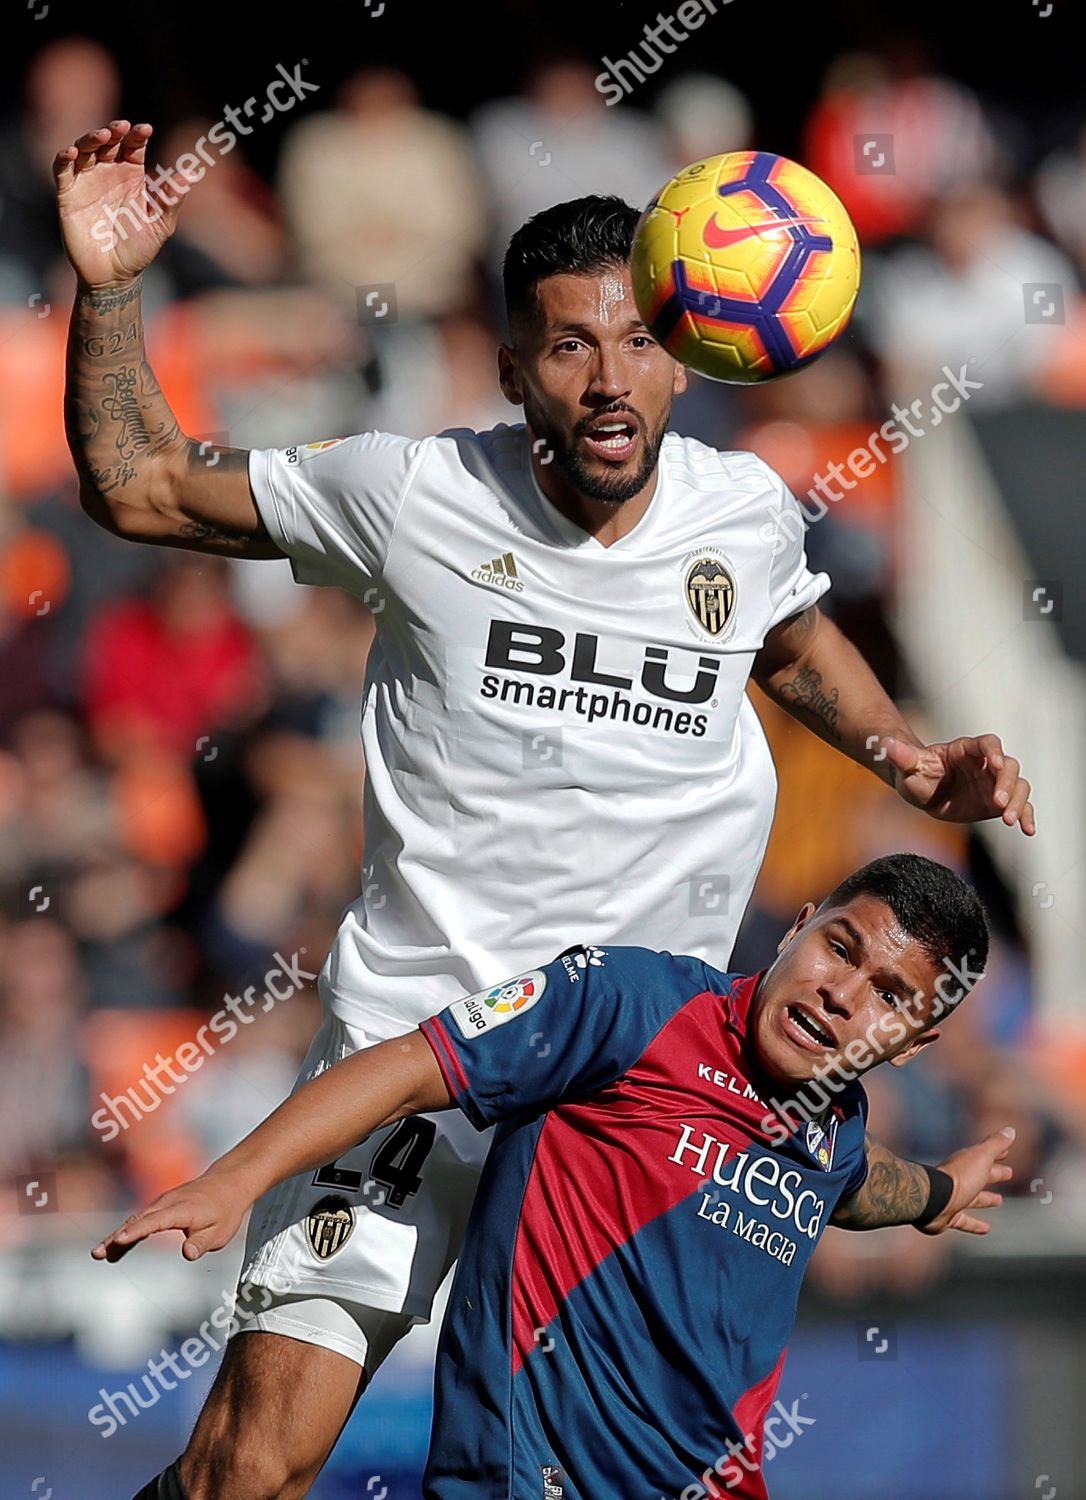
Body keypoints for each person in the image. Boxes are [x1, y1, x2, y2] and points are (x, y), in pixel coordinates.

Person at [57, 120, 1035, 1499]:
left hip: (631, 1089)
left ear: (685, 347)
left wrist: (905, 757)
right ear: (512, 369)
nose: (608, 378)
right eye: (566, 346)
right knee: (251, 1471)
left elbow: (786, 639)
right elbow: (141, 485)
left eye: (636, 340)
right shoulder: (413, 493)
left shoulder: (742, 511)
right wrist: (107, 287)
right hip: (419, 1057)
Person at [93, 852, 1016, 1500]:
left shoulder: (835, 1126)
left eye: (890, 998)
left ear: (913, 1044)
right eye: (841, 948)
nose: (842, 994)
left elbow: (856, 1187)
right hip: (529, 1469)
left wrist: (939, 1194)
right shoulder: (630, 1006)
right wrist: (237, 1176)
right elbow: (415, 1065)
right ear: (802, 923)